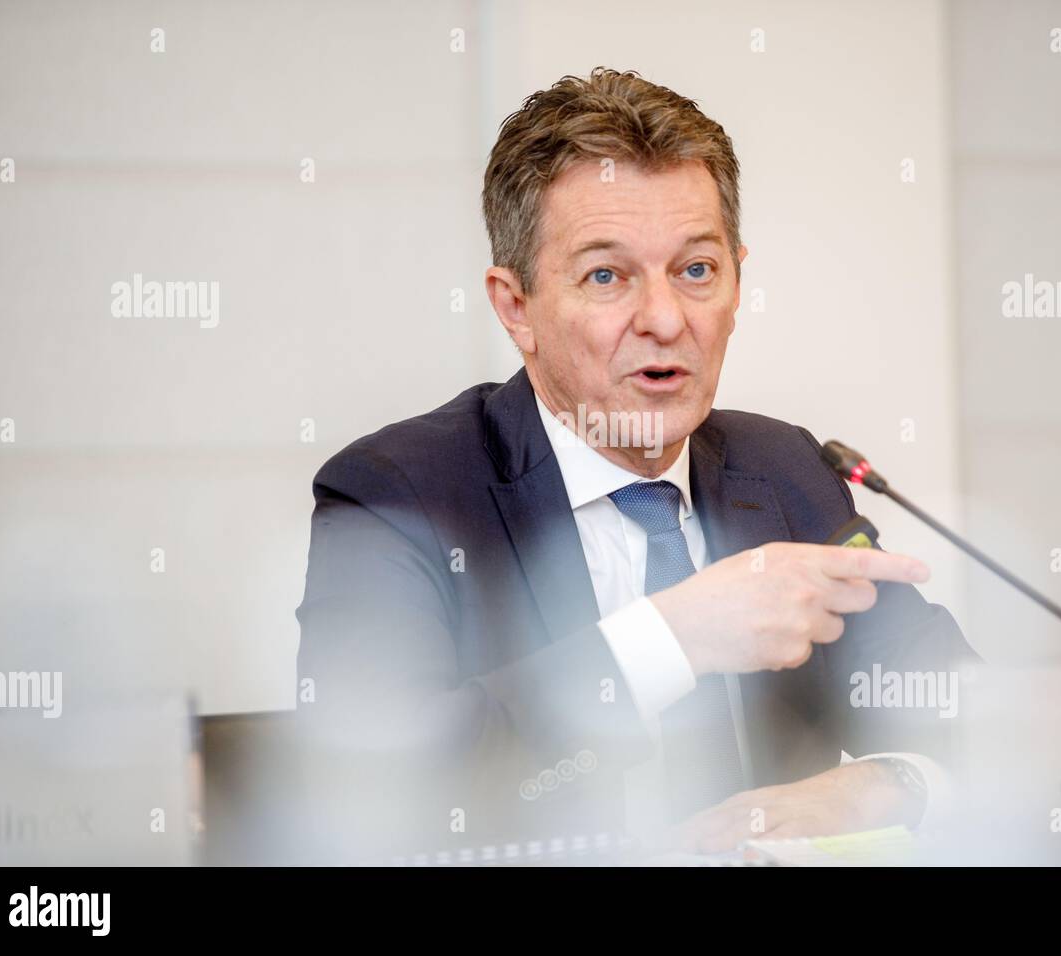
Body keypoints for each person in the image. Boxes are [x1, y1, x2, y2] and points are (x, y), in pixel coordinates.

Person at [296, 68, 976, 856]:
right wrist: (668, 639)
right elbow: (371, 791)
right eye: (607, 276)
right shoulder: (397, 494)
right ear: (515, 307)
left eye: (695, 270)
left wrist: (891, 783)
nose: (664, 319)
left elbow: (976, 716)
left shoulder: (787, 470)